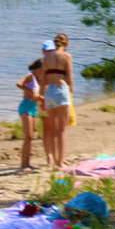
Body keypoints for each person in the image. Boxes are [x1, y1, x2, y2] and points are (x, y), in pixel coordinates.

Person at [41, 34, 74, 168]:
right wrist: (71, 90)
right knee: (62, 129)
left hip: (49, 91)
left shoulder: (46, 58)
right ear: (66, 44)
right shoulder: (67, 56)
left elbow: (43, 81)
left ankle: (55, 160)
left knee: (53, 129)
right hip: (61, 89)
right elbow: (69, 78)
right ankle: (60, 161)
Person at [16, 59, 44, 170]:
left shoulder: (39, 79)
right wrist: (29, 91)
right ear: (38, 69)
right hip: (26, 105)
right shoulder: (30, 76)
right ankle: (24, 164)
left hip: (33, 107)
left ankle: (27, 163)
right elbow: (19, 84)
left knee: (31, 136)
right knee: (29, 136)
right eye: (43, 69)